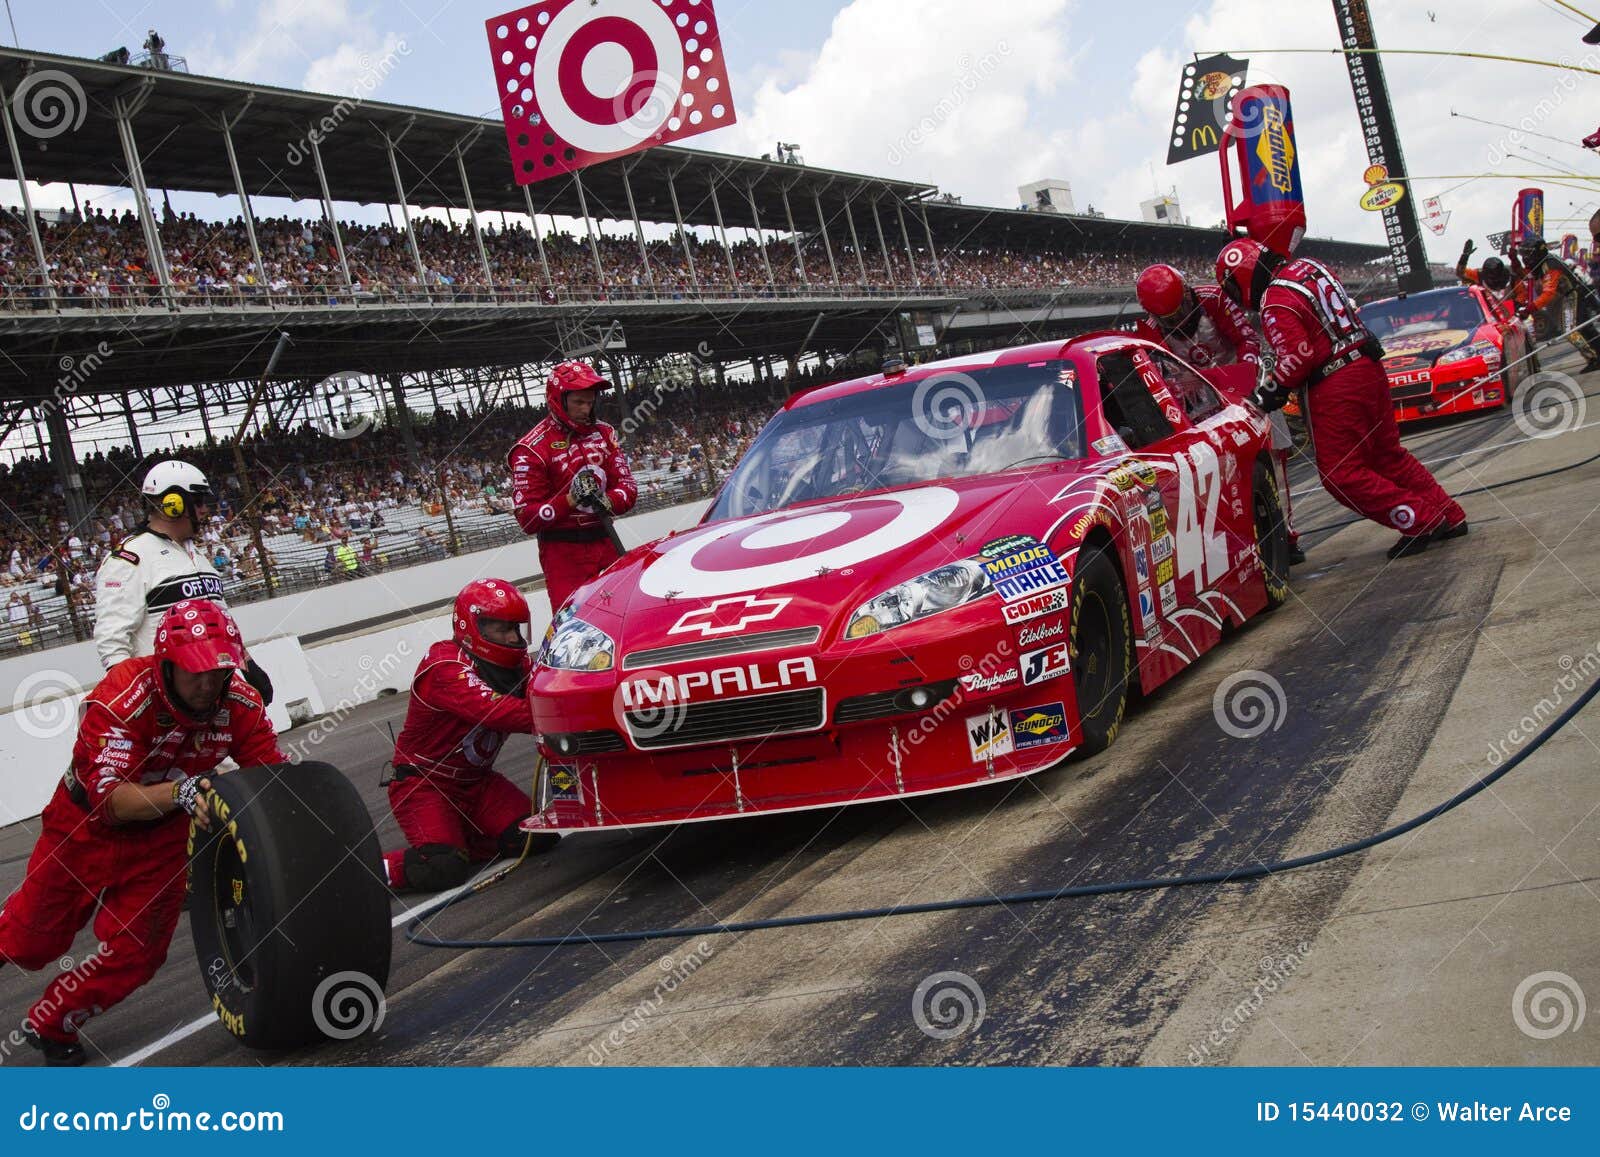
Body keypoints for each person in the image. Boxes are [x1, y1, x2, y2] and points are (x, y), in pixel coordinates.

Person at [0, 601, 284, 1065]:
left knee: (138, 954)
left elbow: (272, 779)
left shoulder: (240, 702)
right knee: (31, 942)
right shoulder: (121, 696)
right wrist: (182, 792)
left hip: (164, 839)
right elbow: (111, 801)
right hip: (84, 829)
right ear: (166, 662)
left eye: (219, 669)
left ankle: (53, 1022)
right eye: (195, 671)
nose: (208, 683)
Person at [1216, 238, 1467, 560]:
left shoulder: (1275, 300)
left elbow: (1298, 357)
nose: (1238, 298)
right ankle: (1450, 514)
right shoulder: (1310, 267)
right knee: (1388, 455)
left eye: (1233, 288)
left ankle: (1419, 520)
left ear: (1243, 277)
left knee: (1340, 474)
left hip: (1337, 381)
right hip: (1368, 365)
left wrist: (1267, 393)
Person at [381, 579, 553, 892]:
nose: (514, 638)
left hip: (478, 783)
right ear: (474, 626)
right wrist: (564, 712)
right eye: (503, 629)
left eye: (517, 629)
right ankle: (366, 870)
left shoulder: (519, 664)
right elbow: (502, 712)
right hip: (426, 785)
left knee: (537, 836)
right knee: (443, 870)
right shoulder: (445, 667)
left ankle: (456, 843)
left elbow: (555, 683)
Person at [1135, 263, 1304, 564]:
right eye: (1169, 317)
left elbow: (1248, 339)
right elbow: (1158, 374)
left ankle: (1287, 533)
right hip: (1201, 407)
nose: (1178, 319)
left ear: (1189, 293)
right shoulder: (1148, 329)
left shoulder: (1214, 298)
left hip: (1246, 388)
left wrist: (1244, 374)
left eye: (1181, 308)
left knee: (1275, 458)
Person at [93, 459, 273, 703]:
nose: (205, 509)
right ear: (173, 505)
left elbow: (221, 621)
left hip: (216, 690)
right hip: (165, 697)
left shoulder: (196, 555)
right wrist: (134, 696)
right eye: (198, 501)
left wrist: (248, 665)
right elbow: (112, 639)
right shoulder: (130, 558)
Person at [508, 360, 638, 612]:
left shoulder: (604, 433)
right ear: (559, 399)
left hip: (605, 539)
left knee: (624, 611)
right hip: (562, 553)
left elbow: (628, 488)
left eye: (590, 402)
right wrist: (570, 499)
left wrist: (608, 501)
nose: (585, 409)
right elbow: (527, 519)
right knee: (574, 622)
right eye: (579, 402)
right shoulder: (530, 449)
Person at [1516, 235, 1600, 372]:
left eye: (1526, 255)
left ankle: (1594, 357)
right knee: (1585, 329)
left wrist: (1529, 309)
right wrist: (1514, 261)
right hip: (1572, 294)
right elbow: (1525, 274)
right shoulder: (1544, 262)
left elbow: (1548, 293)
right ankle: (1596, 356)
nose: (1524, 259)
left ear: (1535, 253)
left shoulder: (1550, 265)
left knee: (1571, 331)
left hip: (1574, 294)